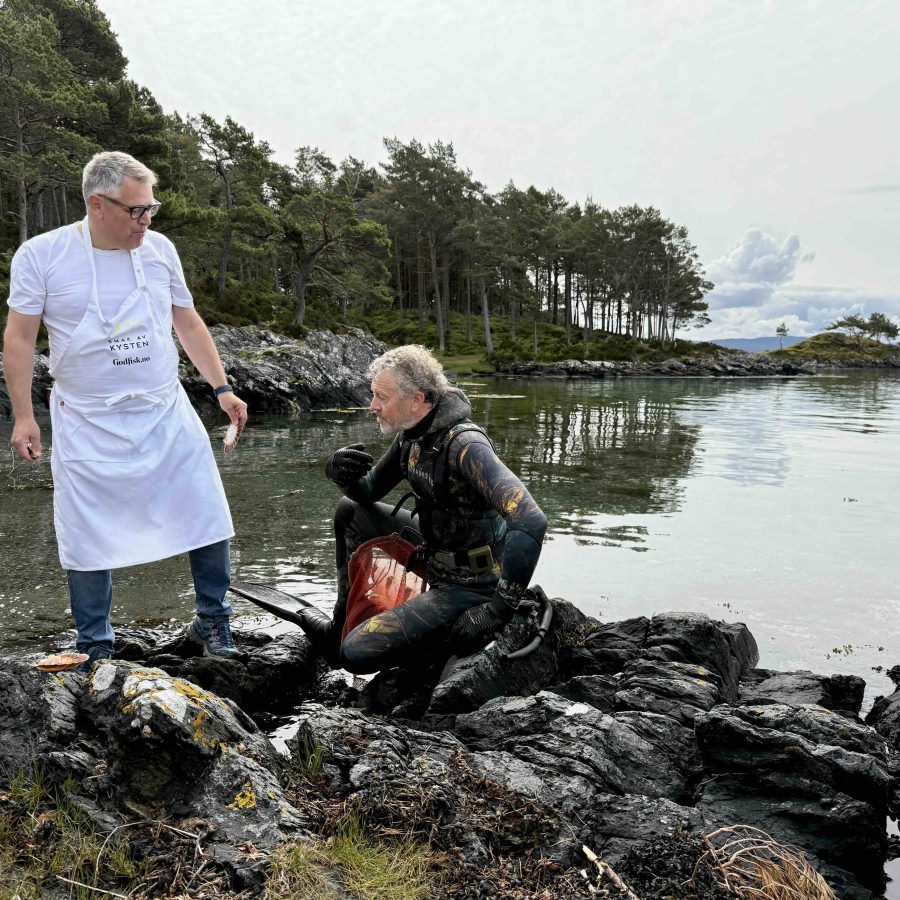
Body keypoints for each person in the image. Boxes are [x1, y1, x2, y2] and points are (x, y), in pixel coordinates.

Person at [3, 151, 248, 668]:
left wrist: (222, 388)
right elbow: (21, 338)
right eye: (137, 210)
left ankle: (215, 623)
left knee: (205, 510)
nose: (147, 220)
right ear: (97, 203)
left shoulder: (159, 250)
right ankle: (95, 644)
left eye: (151, 208)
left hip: (163, 406)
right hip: (86, 417)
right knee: (85, 529)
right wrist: (24, 415)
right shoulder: (41, 255)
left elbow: (187, 321)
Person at [297, 344, 548, 674]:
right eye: (374, 395)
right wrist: (338, 473)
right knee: (348, 509)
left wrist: (496, 612)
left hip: (472, 581)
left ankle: (442, 637)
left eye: (381, 397)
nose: (372, 406)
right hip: (433, 551)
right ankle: (336, 626)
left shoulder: (465, 446)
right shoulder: (411, 436)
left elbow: (530, 519)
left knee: (356, 653)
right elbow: (368, 491)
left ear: (416, 399)